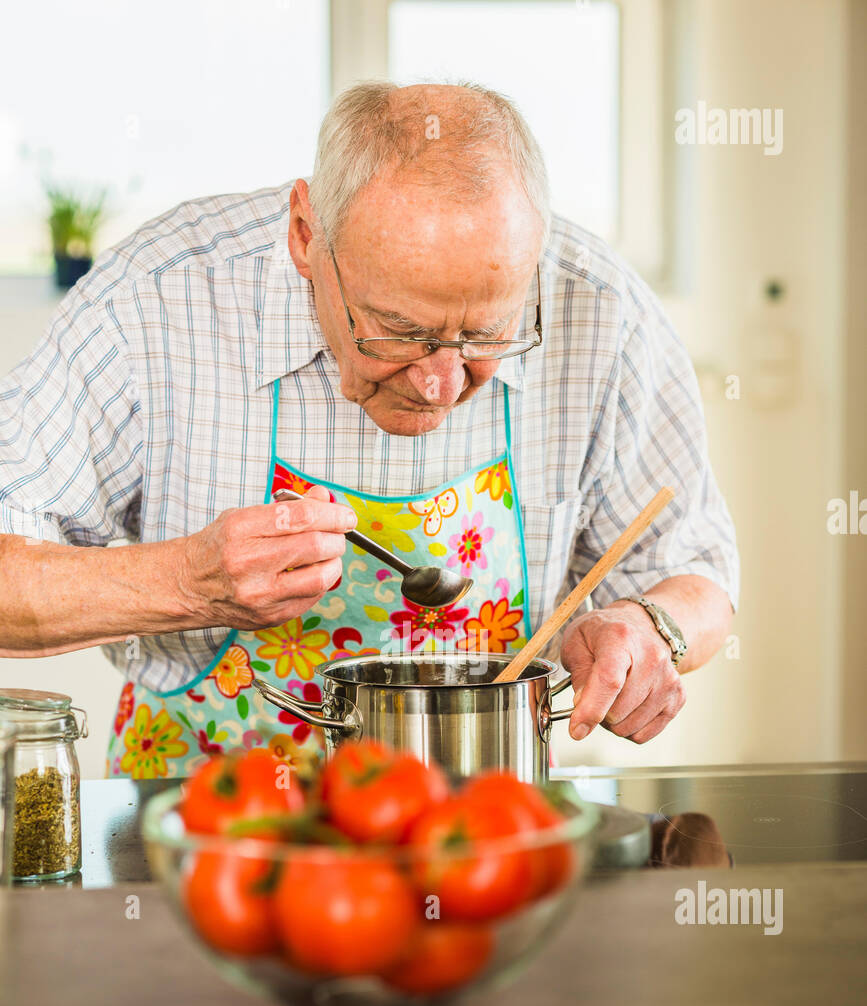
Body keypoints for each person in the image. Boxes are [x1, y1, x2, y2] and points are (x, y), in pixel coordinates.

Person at [0, 81, 738, 778]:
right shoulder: (155, 299)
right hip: (203, 833)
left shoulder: (601, 309)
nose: (440, 384)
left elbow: (696, 569)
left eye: (485, 336)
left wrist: (649, 630)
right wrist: (187, 581)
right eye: (396, 332)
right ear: (303, 236)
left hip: (481, 834)